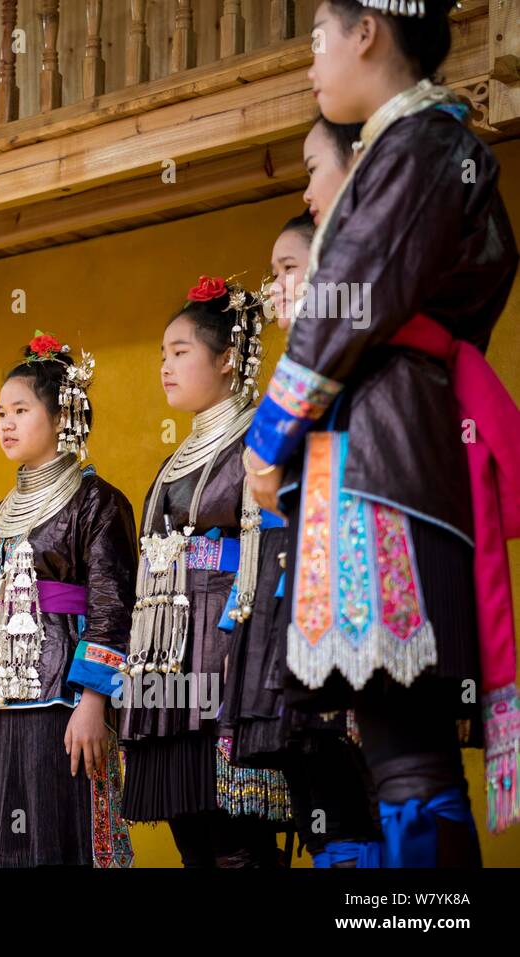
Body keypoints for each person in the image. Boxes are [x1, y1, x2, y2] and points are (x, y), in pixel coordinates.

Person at [243, 0, 520, 865]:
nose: (312, 62)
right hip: (384, 446)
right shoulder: (426, 147)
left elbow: (348, 300)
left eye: (318, 38)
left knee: (406, 743)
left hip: (382, 462)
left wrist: (269, 435)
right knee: (397, 736)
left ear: (368, 32)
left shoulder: (424, 143)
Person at [220, 203, 382, 868]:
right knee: (317, 798)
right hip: (288, 608)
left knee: (361, 793)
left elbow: (271, 474)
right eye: (272, 271)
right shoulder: (299, 379)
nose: (274, 286)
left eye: (289, 268)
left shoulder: (363, 366)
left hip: (350, 599)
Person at [120, 279, 292, 867]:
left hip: (226, 646)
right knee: (190, 827)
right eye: (162, 355)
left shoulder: (260, 437)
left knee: (237, 834)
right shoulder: (178, 457)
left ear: (226, 359)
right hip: (169, 656)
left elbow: (272, 553)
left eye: (180, 352)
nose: (165, 367)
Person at [0, 333, 137, 868]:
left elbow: (112, 605)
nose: (5, 423)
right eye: (0, 412)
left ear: (61, 418)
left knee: (60, 843)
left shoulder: (97, 501)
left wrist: (93, 700)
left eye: (20, 410)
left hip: (62, 698)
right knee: (2, 853)